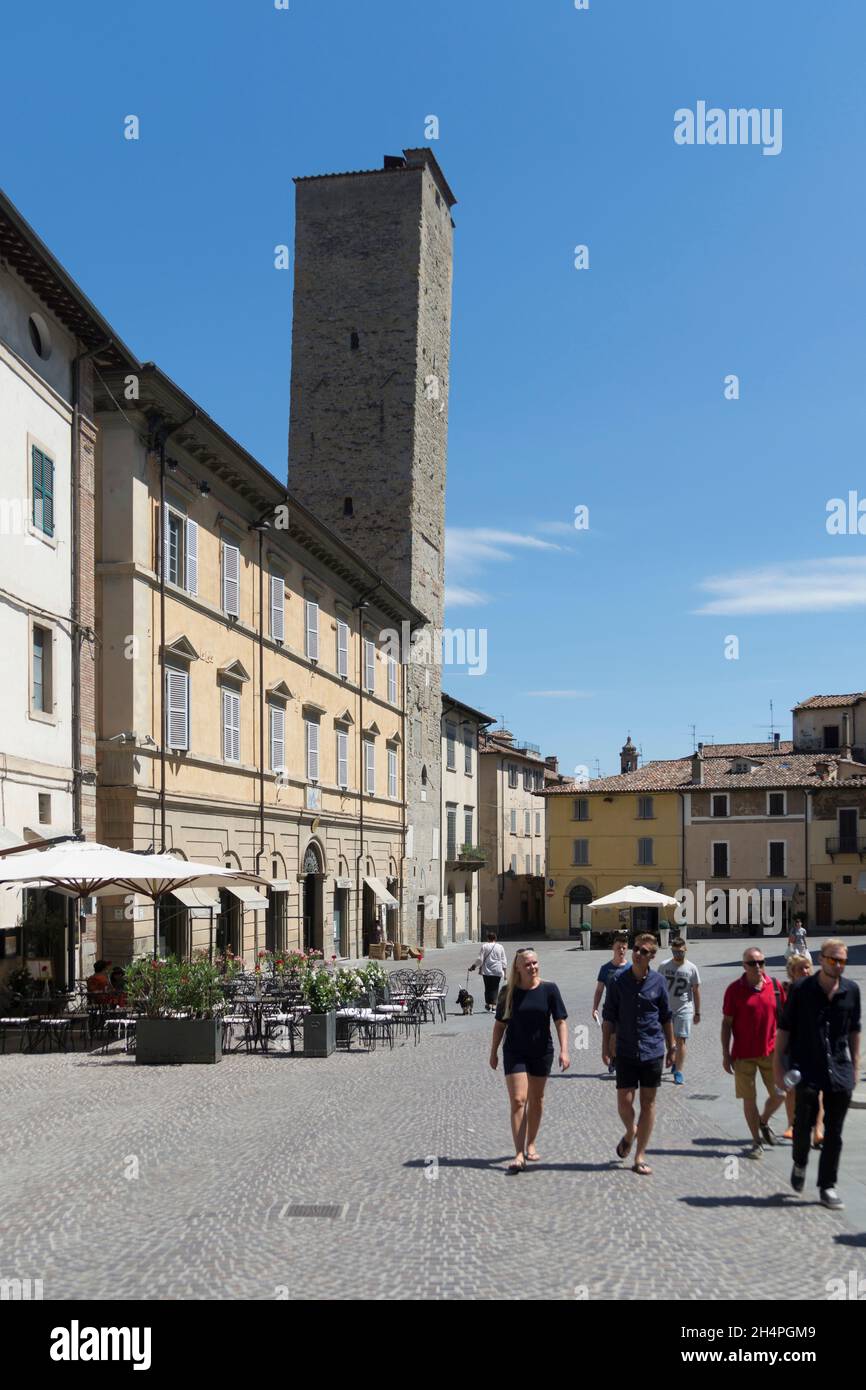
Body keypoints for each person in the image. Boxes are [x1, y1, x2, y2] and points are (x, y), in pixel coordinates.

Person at [775, 938, 861, 1210]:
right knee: (803, 1124)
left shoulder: (851, 990)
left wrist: (855, 1065)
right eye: (834, 959)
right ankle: (800, 1162)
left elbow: (855, 1030)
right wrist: (779, 1064)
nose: (838, 965)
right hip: (807, 1066)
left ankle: (827, 1186)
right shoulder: (802, 989)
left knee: (834, 1133)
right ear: (822, 959)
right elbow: (785, 1028)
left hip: (839, 1068)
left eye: (843, 961)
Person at [489, 949, 569, 1173]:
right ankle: (519, 1153)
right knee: (518, 1100)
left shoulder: (549, 989)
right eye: (528, 965)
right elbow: (499, 1025)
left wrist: (565, 1051)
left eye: (535, 963)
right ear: (518, 967)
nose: (533, 967)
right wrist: (493, 1052)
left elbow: (560, 1022)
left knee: (537, 1099)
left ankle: (531, 1142)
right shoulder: (508, 993)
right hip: (514, 1051)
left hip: (542, 1051)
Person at [602, 933, 674, 1177]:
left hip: (653, 1049)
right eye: (636, 949)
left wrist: (672, 1046)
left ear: (652, 956)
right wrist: (604, 1045)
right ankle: (631, 1131)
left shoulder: (658, 982)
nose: (637, 953)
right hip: (625, 1048)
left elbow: (665, 1016)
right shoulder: (618, 981)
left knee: (648, 1103)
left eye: (643, 951)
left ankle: (640, 1155)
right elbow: (609, 1014)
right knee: (624, 1101)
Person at [721, 947, 786, 1159]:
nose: (757, 966)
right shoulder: (734, 990)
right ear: (744, 966)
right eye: (752, 963)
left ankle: (763, 1121)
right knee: (749, 1099)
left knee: (780, 1094)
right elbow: (727, 1023)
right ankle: (756, 1141)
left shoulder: (775, 987)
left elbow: (785, 1021)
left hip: (771, 1052)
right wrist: (725, 1053)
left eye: (761, 962)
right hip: (743, 1055)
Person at [780, 954, 823, 1146]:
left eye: (807, 967)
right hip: (792, 1047)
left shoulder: (819, 989)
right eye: (800, 969)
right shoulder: (786, 991)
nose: (805, 971)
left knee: (818, 1090)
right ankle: (792, 1125)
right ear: (792, 972)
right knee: (791, 1089)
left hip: (816, 1046)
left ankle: (818, 1129)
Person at [658, 938, 701, 1085]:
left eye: (680, 951)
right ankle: (672, 1054)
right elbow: (656, 986)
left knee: (681, 1039)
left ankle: (678, 1071)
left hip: (684, 1008)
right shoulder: (664, 966)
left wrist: (697, 1012)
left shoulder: (692, 968)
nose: (678, 954)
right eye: (675, 951)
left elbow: (696, 991)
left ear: (685, 950)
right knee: (670, 1041)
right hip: (666, 1009)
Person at [591, 933, 629, 1073]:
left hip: (625, 1011)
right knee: (611, 1037)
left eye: (624, 948)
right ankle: (613, 1059)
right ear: (613, 947)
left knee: (618, 1037)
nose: (621, 950)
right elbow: (599, 990)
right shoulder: (605, 968)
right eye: (619, 947)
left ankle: (617, 1059)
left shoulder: (630, 968)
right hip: (609, 1009)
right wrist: (595, 1008)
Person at [470, 931, 508, 1011]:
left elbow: (480, 959)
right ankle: (494, 1005)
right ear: (495, 938)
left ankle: (488, 1004)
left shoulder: (484, 946)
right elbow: (503, 960)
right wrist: (505, 973)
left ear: (488, 938)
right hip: (497, 970)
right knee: (495, 987)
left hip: (486, 971)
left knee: (487, 988)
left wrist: (474, 966)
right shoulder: (500, 947)